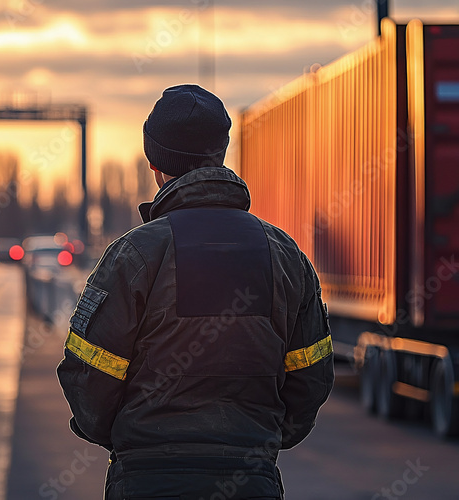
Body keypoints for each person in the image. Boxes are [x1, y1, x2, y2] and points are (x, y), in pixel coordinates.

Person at [57, 84, 334, 499]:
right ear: (221, 152)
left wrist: (129, 438)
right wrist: (261, 440)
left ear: (154, 164)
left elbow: (89, 380)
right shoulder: (285, 256)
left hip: (147, 482)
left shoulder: (134, 255)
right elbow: (311, 378)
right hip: (251, 481)